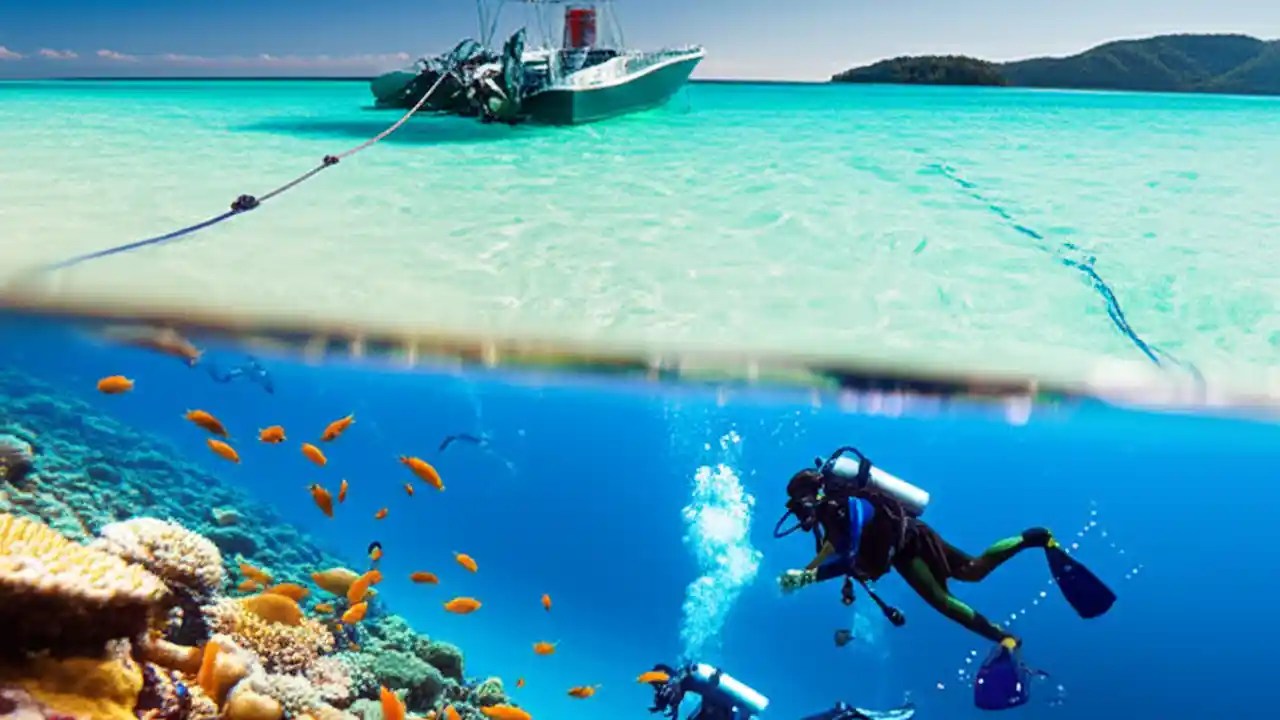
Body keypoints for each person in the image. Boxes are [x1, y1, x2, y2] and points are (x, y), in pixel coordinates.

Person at [774, 447, 1115, 651]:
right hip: (909, 541)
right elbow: (833, 550)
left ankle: (1002, 637)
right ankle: (1034, 538)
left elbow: (847, 556)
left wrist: (807, 578)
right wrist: (805, 573)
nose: (799, 511)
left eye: (800, 501)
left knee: (942, 600)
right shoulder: (833, 519)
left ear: (815, 493)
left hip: (910, 545)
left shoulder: (848, 505)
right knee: (973, 571)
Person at [644, 661, 915, 720]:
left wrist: (677, 680)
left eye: (660, 686)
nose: (660, 694)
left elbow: (692, 672)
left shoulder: (707, 698)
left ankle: (846, 715)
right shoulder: (696, 714)